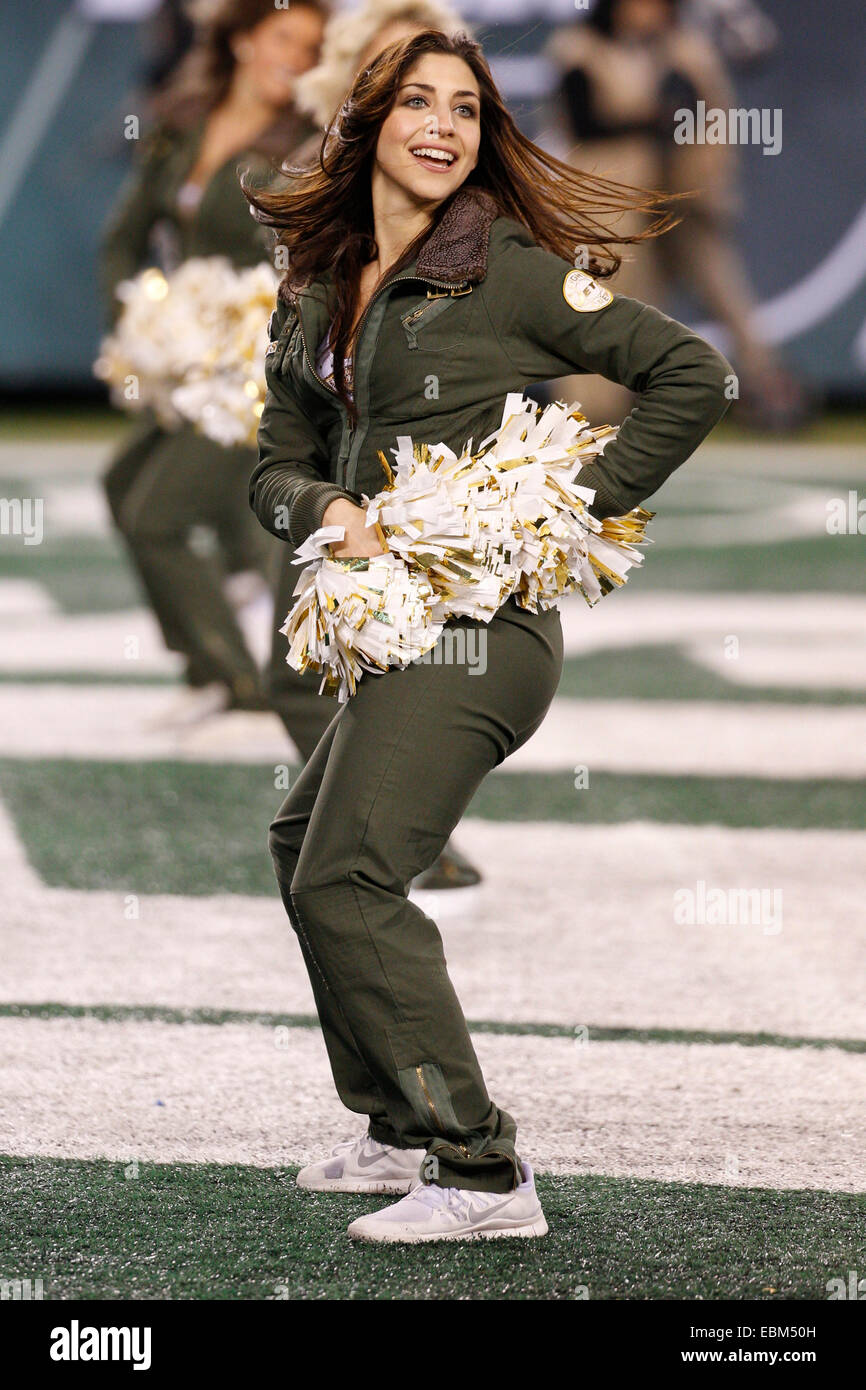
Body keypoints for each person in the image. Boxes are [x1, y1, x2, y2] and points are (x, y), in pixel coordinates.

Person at [244, 28, 732, 1242]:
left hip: (482, 632)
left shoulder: (504, 271)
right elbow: (274, 461)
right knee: (302, 840)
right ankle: (395, 1124)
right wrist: (325, 508)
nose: (443, 126)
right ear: (369, 122)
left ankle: (478, 1173)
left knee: (351, 877)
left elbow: (689, 372)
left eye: (464, 109)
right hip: (391, 625)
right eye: (418, 102)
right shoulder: (318, 278)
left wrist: (568, 506)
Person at [262, 0, 484, 888]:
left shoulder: (464, 200)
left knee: (344, 660)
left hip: (404, 471)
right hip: (317, 449)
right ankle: (385, 840)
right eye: (401, 84)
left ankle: (393, 842)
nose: (432, 118)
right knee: (332, 655)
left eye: (456, 102)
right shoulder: (313, 174)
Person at [100, 0, 327, 725]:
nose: (298, 56)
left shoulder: (307, 144)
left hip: (254, 366)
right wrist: (141, 325)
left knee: (156, 516)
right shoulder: (185, 124)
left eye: (314, 47)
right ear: (244, 39)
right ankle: (209, 661)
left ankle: (240, 680)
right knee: (120, 482)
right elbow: (122, 241)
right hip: (189, 360)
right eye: (285, 37)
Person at [543, 0, 808, 431]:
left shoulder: (683, 48)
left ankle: (768, 388)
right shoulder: (581, 47)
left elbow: (695, 110)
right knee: (606, 300)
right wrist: (649, 119)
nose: (651, 11)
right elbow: (585, 120)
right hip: (614, 205)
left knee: (721, 292)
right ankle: (588, 412)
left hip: (685, 196)